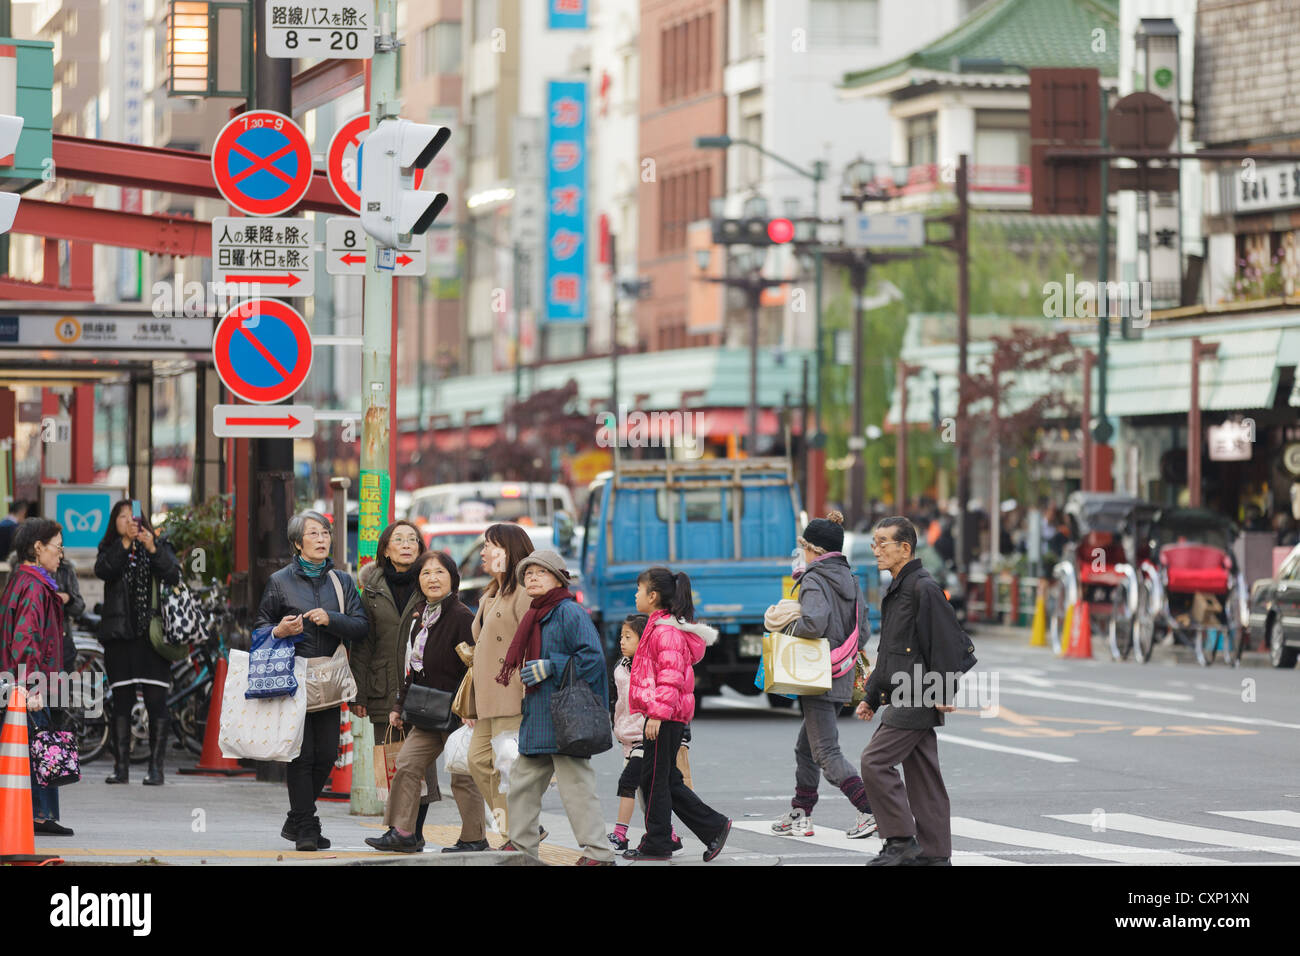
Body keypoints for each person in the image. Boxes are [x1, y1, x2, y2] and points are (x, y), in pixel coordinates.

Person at [857, 516, 973, 866]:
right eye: (874, 542)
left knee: (874, 762)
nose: (875, 549)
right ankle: (935, 854)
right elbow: (891, 651)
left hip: (918, 694)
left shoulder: (924, 588)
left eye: (882, 543)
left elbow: (948, 643)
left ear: (905, 548)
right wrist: (871, 696)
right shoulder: (898, 588)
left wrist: (946, 689)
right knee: (924, 776)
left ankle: (900, 839)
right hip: (903, 691)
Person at [254, 510, 368, 851]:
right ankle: (305, 826)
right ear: (297, 543)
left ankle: (299, 817)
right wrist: (279, 630)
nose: (321, 539)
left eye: (325, 533)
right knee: (301, 755)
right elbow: (259, 627)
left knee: (327, 753)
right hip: (293, 676)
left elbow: (361, 626)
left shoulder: (342, 581)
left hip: (330, 678)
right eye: (314, 534)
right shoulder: (279, 581)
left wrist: (331, 619)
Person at [763, 510, 876, 841]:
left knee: (825, 752)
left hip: (816, 676)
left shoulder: (814, 579)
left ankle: (870, 809)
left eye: (804, 547)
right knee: (805, 747)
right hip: (840, 674)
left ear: (812, 549)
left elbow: (813, 623)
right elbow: (865, 630)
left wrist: (786, 628)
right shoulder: (851, 580)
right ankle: (801, 811)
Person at [499, 550, 616, 865]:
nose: (532, 578)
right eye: (528, 573)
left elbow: (592, 659)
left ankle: (599, 854)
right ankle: (522, 846)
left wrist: (552, 666)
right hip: (540, 714)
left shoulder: (568, 612)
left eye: (540, 572)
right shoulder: (535, 613)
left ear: (558, 578)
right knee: (522, 783)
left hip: (567, 718)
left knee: (576, 788)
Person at [365, 549, 486, 853]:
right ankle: (403, 833)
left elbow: (475, 666)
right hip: (428, 711)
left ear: (453, 579)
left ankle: (474, 837)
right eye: (425, 573)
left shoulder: (461, 617)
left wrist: (472, 707)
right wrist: (398, 707)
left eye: (439, 572)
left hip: (458, 713)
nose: (432, 579)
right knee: (406, 764)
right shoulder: (422, 619)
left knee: (461, 775)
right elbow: (414, 667)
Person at [624, 566, 732, 863]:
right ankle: (713, 826)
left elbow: (670, 677)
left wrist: (657, 715)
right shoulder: (659, 627)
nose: (635, 594)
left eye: (639, 589)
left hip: (666, 716)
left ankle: (658, 842)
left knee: (655, 780)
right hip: (665, 714)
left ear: (653, 595)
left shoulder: (666, 632)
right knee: (664, 778)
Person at [352, 520, 442, 846]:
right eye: (398, 539)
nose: (406, 544)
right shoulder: (372, 588)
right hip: (382, 685)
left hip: (423, 687)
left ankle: (412, 833)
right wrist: (358, 693)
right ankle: (399, 830)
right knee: (391, 762)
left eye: (412, 539)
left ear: (420, 547)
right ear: (386, 548)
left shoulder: (431, 582)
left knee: (420, 765)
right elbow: (363, 644)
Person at [94, 500, 181, 787]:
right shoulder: (109, 547)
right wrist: (124, 543)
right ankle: (121, 768)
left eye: (132, 518)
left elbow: (173, 575)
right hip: (119, 636)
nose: (128, 522)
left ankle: (156, 769)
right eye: (121, 517)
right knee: (122, 702)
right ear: (114, 523)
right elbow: (105, 570)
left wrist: (152, 547)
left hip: (153, 637)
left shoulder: (159, 544)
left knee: (157, 702)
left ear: (142, 521)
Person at [0, 518, 71, 835]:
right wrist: (31, 689)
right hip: (30, 684)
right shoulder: (33, 586)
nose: (61, 554)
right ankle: (40, 815)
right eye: (57, 547)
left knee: (31, 745)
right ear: (38, 548)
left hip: (20, 683)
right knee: (40, 743)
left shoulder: (23, 581)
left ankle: (38, 813)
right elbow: (25, 639)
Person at [465, 522, 533, 837]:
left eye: (489, 545)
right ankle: (517, 826)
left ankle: (512, 834)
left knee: (506, 769)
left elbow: (532, 643)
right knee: (479, 762)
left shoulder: (522, 592)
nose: (482, 552)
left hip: (511, 696)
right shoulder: (493, 591)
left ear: (507, 552)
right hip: (487, 700)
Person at [608, 613, 682, 853]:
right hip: (628, 738)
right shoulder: (621, 668)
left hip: (646, 737)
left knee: (628, 782)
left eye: (628, 637)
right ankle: (668, 834)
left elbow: (667, 697)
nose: (622, 641)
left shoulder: (650, 667)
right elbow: (619, 704)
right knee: (645, 793)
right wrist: (616, 726)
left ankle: (620, 834)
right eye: (621, 636)